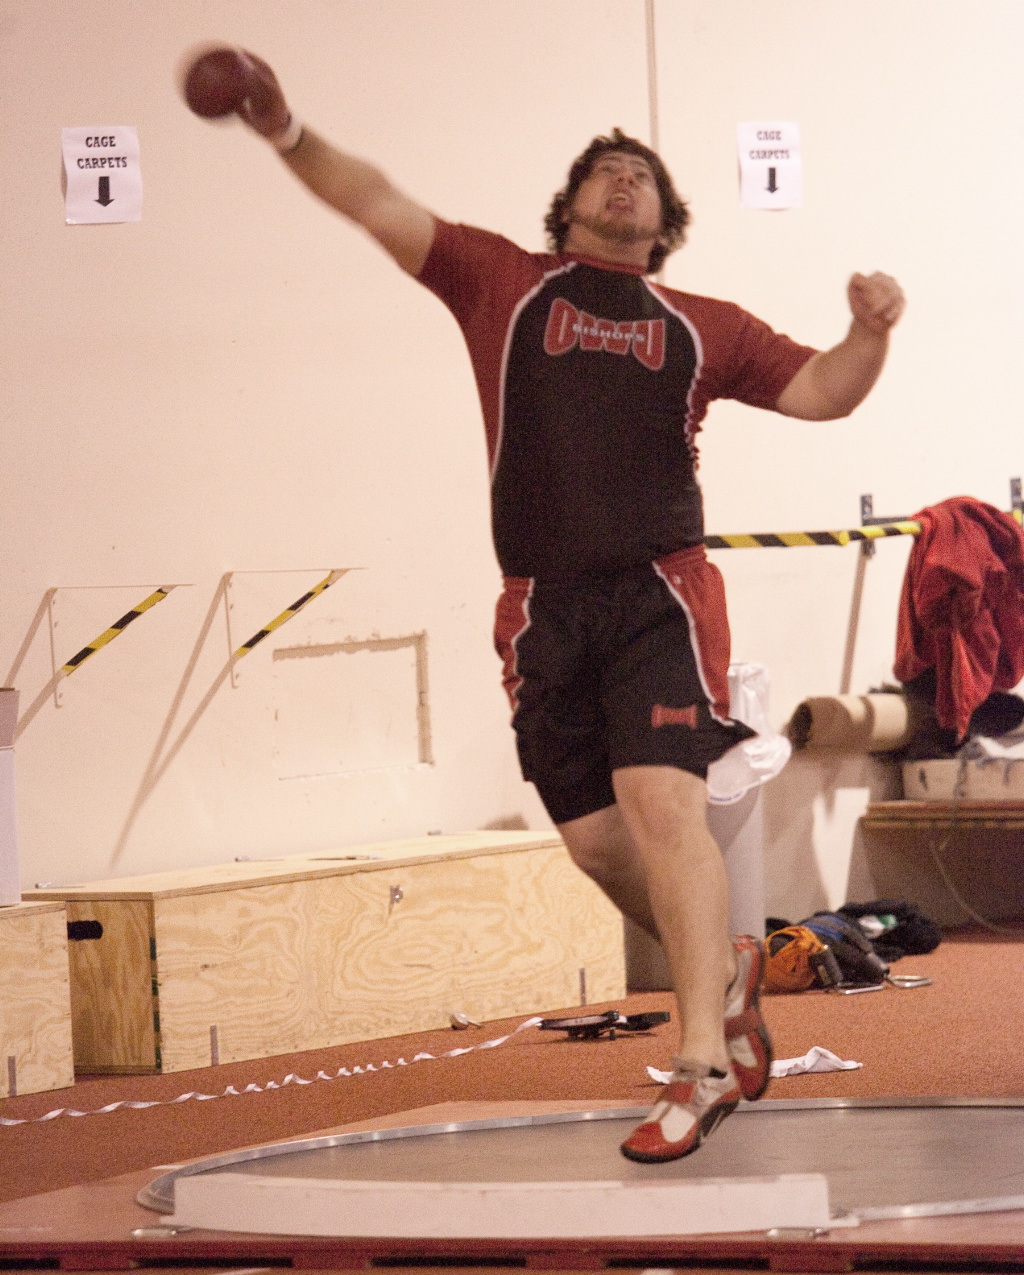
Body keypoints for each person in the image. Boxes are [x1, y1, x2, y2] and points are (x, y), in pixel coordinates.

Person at [183, 48, 906, 1162]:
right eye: (602, 172)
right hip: (539, 608)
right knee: (595, 843)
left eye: (642, 176)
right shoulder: (500, 282)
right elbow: (374, 201)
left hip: (659, 590)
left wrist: (869, 333)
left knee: (659, 801)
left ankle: (699, 1060)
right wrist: (284, 128)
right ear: (565, 207)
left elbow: (820, 392)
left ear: (666, 218)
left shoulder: (699, 321)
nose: (623, 182)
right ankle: (730, 971)